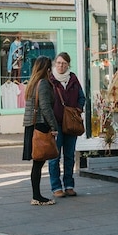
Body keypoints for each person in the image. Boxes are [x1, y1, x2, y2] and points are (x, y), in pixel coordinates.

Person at [21, 56, 60, 206]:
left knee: (37, 162)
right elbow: (45, 107)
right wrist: (54, 126)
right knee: (39, 161)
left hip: (32, 125)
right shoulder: (43, 83)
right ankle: (36, 196)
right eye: (50, 67)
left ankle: (36, 195)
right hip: (40, 125)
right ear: (46, 68)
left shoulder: (32, 83)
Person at [47, 52, 85, 198]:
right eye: (58, 63)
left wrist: (77, 110)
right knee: (54, 157)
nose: (61, 66)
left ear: (68, 64)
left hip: (71, 124)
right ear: (54, 64)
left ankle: (69, 185)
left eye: (63, 63)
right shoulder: (50, 80)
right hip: (55, 124)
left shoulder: (73, 79)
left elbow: (82, 98)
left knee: (69, 156)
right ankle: (56, 187)